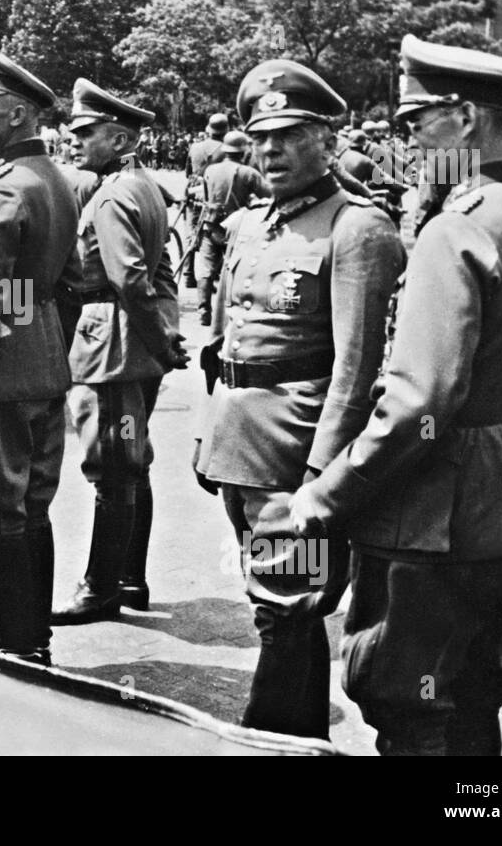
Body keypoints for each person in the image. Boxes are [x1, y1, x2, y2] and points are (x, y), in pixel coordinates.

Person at [289, 35, 502, 756]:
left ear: (467, 119)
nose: (405, 138)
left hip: (432, 518)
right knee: (471, 694)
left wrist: (328, 495)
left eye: (417, 121)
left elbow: (420, 402)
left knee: (408, 700)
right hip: (500, 497)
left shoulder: (457, 227)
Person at [192, 59, 405, 740]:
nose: (272, 151)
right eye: (263, 137)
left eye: (289, 134)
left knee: (288, 606)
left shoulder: (356, 229)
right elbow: (225, 345)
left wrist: (319, 476)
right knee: (274, 604)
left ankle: (274, 737)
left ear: (327, 139)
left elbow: (354, 366)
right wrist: (208, 435)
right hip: (238, 444)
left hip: (294, 452)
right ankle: (300, 737)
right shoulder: (250, 224)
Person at [0, 47, 81, 665]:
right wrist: (47, 343)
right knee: (33, 502)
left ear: (18, 114)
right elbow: (75, 284)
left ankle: (17, 647)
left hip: (1, 374)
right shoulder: (55, 180)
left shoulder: (0, 189)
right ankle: (36, 638)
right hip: (45, 363)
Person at [50, 80, 188, 625]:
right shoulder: (146, 187)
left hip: (111, 342)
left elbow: (130, 279)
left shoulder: (110, 196)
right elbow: (161, 275)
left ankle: (101, 587)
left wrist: (157, 338)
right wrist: (168, 334)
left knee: (111, 466)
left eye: (87, 132)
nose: (75, 138)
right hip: (137, 344)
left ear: (120, 138)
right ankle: (130, 578)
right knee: (133, 463)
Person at [193, 130, 266, 325]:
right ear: (243, 152)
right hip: (237, 229)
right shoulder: (249, 173)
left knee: (206, 270)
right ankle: (230, 311)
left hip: (210, 224)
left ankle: (203, 311)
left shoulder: (209, 169)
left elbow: (206, 196)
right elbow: (268, 195)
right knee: (234, 269)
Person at [185, 113, 230, 292]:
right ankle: (211, 276)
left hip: (194, 191)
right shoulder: (227, 149)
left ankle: (188, 275)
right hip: (213, 193)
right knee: (213, 233)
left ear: (208, 129)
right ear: (226, 130)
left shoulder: (195, 147)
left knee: (191, 231)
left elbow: (187, 171)